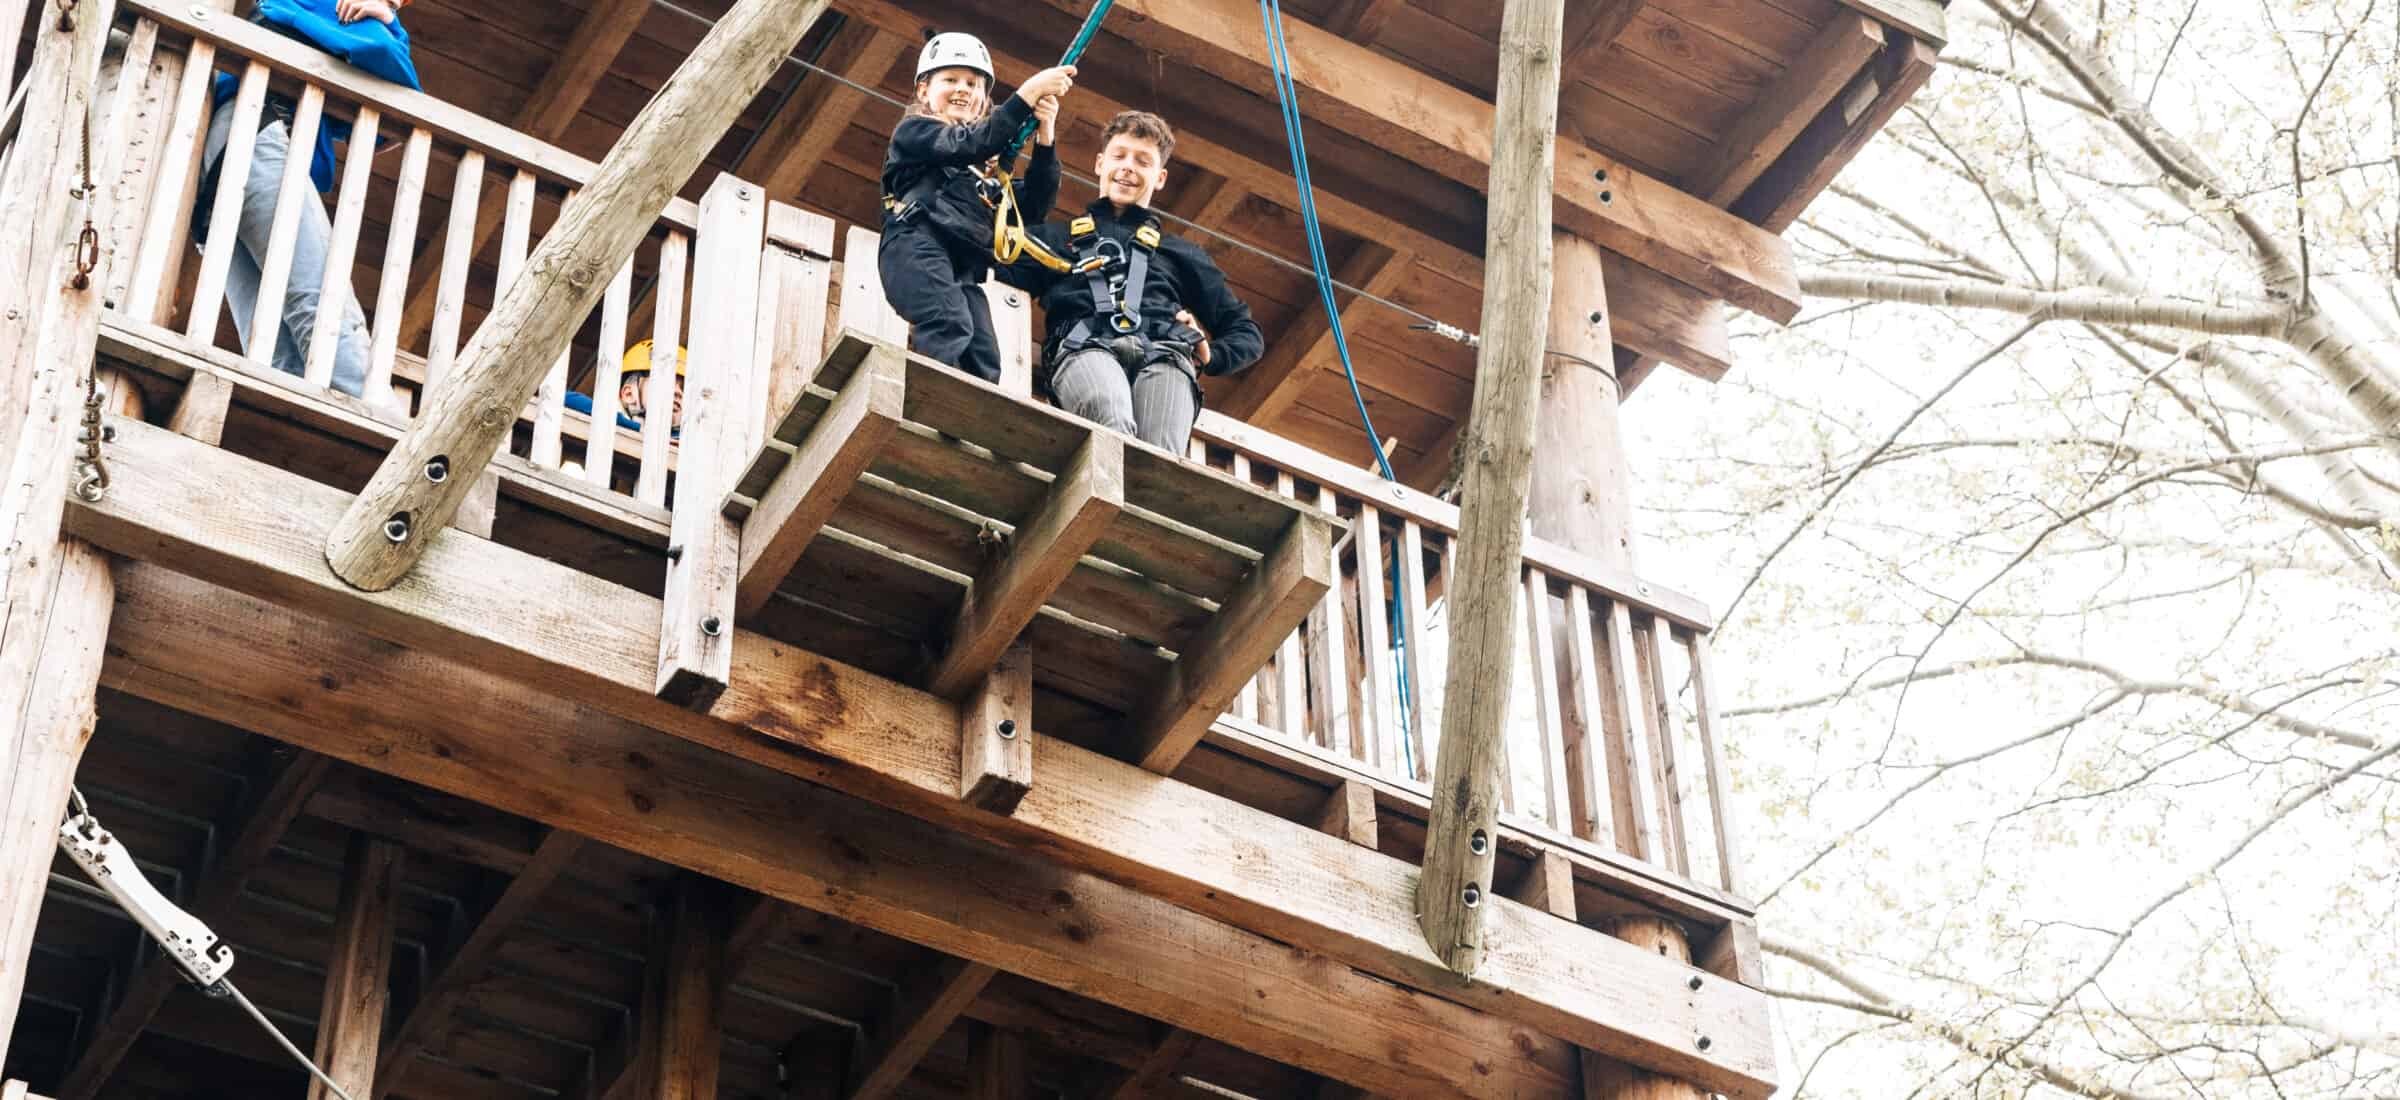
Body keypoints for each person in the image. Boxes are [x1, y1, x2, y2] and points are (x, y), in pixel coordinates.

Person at [194, 0, 419, 403]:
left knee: (274, 346)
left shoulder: (311, 19)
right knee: (324, 309)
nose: (393, 5)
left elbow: (387, 127)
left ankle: (286, 426)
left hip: (225, 158)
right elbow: (399, 83)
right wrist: (388, 24)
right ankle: (384, 432)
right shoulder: (332, 5)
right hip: (259, 141)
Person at [1001, 111, 1262, 455]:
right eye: (1119, 156)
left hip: (1165, 356)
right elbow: (995, 261)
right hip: (1085, 348)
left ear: (1160, 178)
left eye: (1143, 161)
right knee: (1112, 421)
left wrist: (1211, 356)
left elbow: (1246, 333)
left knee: (1159, 455)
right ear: (1099, 164)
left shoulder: (1181, 254)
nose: (1128, 167)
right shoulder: (1053, 240)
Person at [878, 33, 1075, 384]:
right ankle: (936, 399)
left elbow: (1032, 208)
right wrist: (1027, 94)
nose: (963, 90)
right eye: (950, 80)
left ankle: (963, 423)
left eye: (972, 84)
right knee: (948, 322)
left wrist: (1046, 137)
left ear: (984, 100)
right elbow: (966, 144)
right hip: (915, 244)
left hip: (962, 268)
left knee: (983, 352)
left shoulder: (982, 175)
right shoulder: (915, 134)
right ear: (924, 91)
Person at [566, 340, 684, 434]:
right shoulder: (613, 417)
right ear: (629, 394)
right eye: (666, 382)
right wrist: (637, 429)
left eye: (684, 389)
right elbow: (567, 399)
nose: (678, 392)